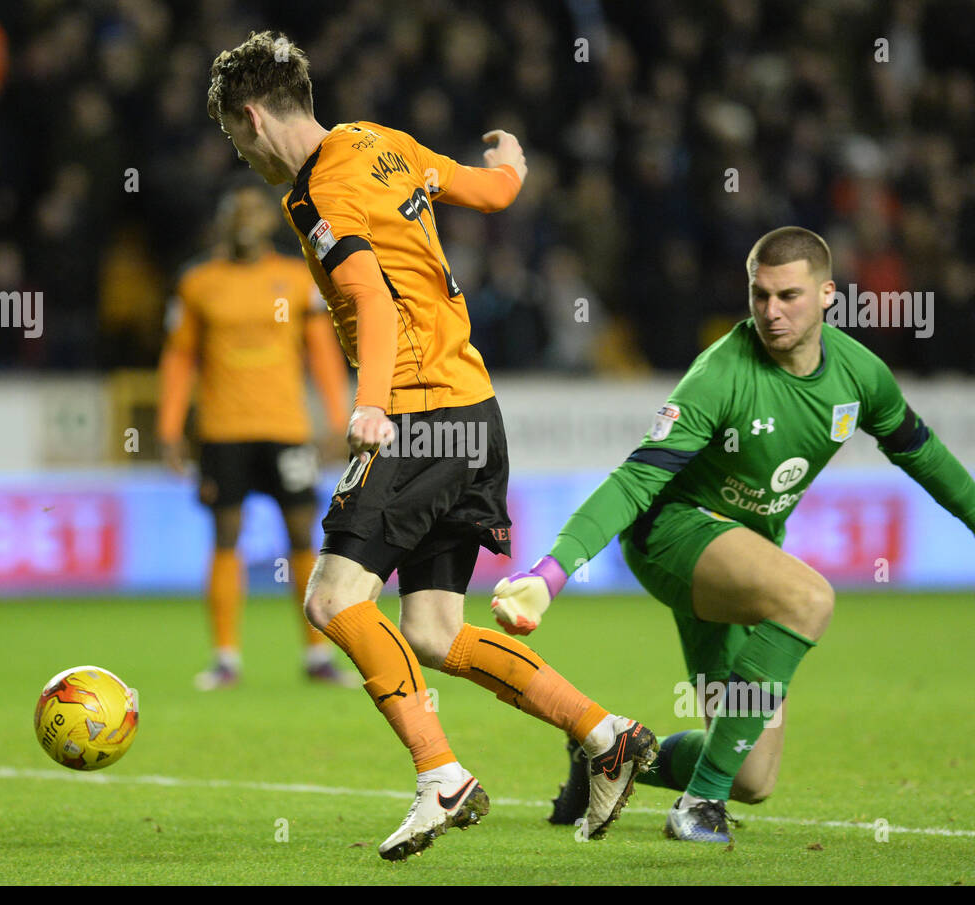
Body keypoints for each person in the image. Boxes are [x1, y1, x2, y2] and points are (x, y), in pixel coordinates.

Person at [207, 30, 657, 861]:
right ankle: (607, 735)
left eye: (235, 138)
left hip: (416, 415)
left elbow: (373, 306)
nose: (240, 155)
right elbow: (486, 195)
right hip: (476, 413)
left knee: (332, 600)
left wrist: (369, 405)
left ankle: (440, 777)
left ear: (252, 117)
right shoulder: (381, 142)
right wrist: (514, 164)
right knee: (433, 630)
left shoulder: (314, 198)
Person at [492, 225, 975, 844]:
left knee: (754, 776)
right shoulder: (719, 374)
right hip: (671, 536)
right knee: (808, 597)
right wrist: (551, 571)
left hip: (744, 558)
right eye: (759, 295)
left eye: (788, 296)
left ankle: (607, 751)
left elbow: (920, 452)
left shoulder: (859, 374)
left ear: (827, 295)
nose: (771, 311)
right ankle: (698, 807)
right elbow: (636, 480)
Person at [158, 181, 353, 689]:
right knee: (225, 535)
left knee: (302, 533)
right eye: (235, 210)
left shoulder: (295, 277)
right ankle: (226, 657)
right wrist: (169, 426)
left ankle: (317, 655)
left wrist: (337, 418)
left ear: (270, 222)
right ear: (223, 222)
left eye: (253, 211)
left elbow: (322, 354)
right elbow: (179, 358)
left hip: (286, 428)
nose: (245, 219)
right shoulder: (198, 283)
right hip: (222, 431)